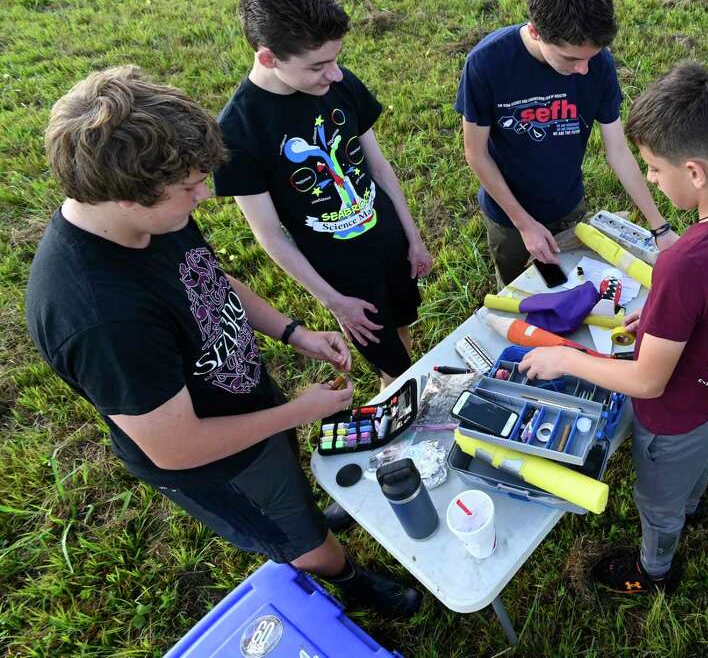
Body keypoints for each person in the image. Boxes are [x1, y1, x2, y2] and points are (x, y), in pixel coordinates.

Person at [25, 66, 421, 617]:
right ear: (125, 196)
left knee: (293, 495)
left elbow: (205, 275)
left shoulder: (150, 220)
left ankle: (311, 521)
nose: (204, 195)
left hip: (244, 406)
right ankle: (347, 576)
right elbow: (176, 446)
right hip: (215, 462)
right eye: (189, 188)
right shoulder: (98, 316)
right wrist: (297, 412)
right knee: (295, 536)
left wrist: (293, 332)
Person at [518, 62, 708, 595]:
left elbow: (647, 382)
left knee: (656, 504)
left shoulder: (684, 262)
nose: (654, 183)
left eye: (655, 172)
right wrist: (667, 321)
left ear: (695, 172)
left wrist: (565, 359)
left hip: (675, 420)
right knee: (696, 466)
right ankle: (693, 501)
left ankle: (654, 570)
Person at [214, 0, 431, 390]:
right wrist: (333, 301)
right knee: (394, 368)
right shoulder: (240, 130)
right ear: (267, 58)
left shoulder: (338, 81)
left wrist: (413, 236)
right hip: (344, 274)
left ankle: (405, 372)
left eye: (337, 60)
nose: (334, 75)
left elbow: (379, 167)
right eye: (318, 67)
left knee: (404, 330)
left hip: (389, 240)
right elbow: (270, 235)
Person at [457, 0, 679, 287]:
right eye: (572, 59)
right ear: (535, 31)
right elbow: (476, 154)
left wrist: (659, 228)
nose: (584, 70)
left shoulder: (597, 64)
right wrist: (524, 224)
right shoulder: (486, 63)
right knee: (519, 289)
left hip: (568, 204)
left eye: (591, 57)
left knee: (570, 284)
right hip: (508, 214)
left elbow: (617, 151)